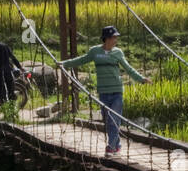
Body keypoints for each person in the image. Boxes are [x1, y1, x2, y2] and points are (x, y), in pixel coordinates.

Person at [60, 26, 148, 155]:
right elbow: (81, 60)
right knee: (108, 121)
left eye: (116, 37)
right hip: (103, 92)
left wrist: (141, 79)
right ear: (106, 39)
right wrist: (64, 64)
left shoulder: (118, 52)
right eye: (114, 37)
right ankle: (116, 144)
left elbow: (128, 69)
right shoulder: (95, 52)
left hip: (117, 91)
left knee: (114, 120)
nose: (116, 40)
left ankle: (111, 147)